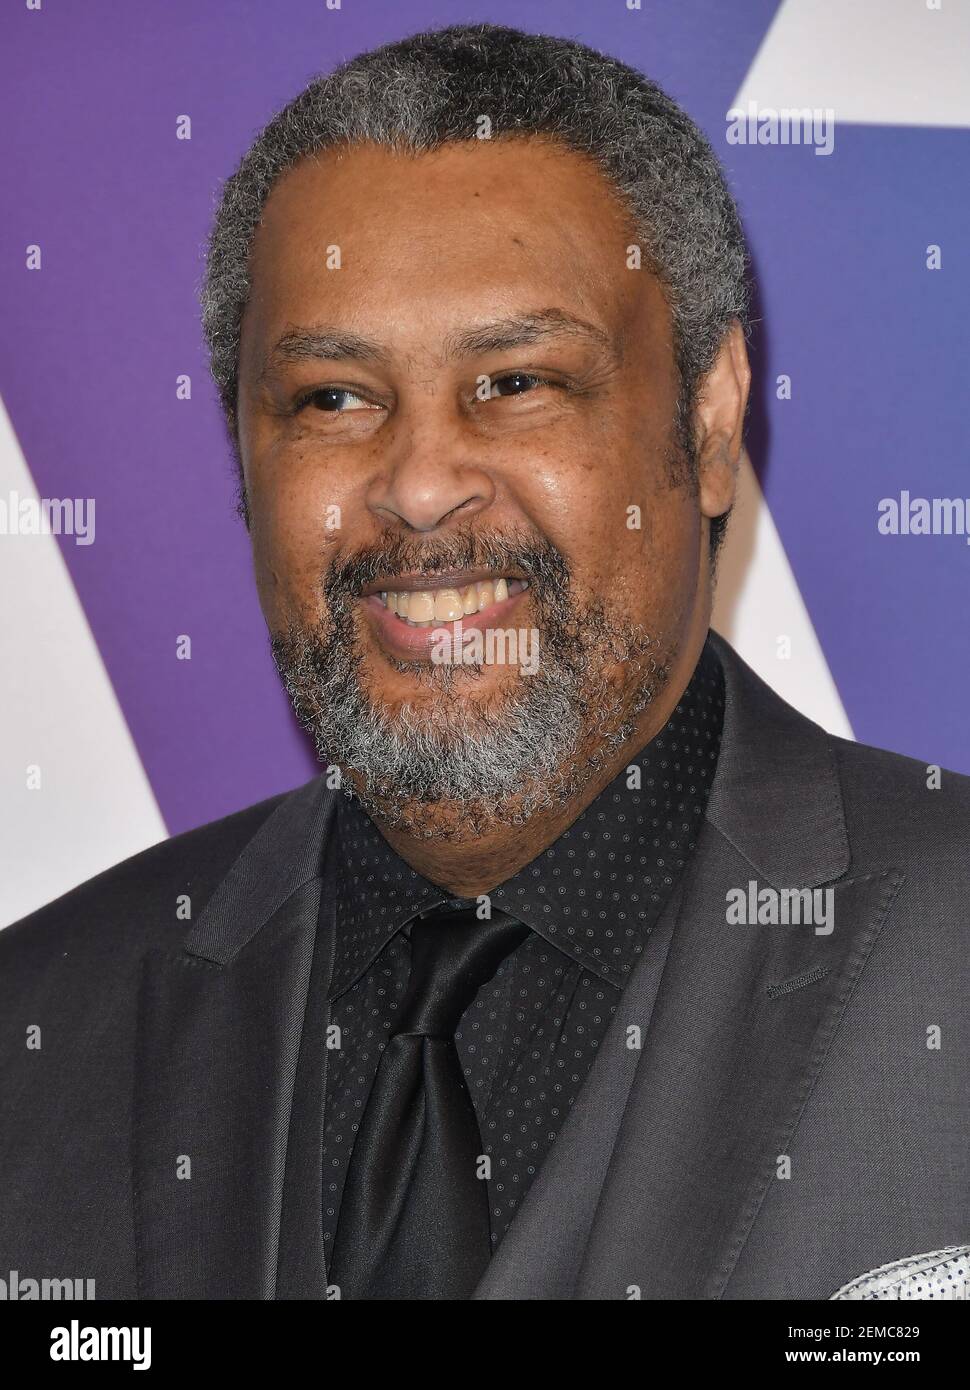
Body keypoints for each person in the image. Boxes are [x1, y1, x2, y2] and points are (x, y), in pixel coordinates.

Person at [1, 23, 967, 1301]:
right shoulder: (41, 1028)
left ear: (711, 419)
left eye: (516, 380)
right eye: (334, 398)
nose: (417, 485)